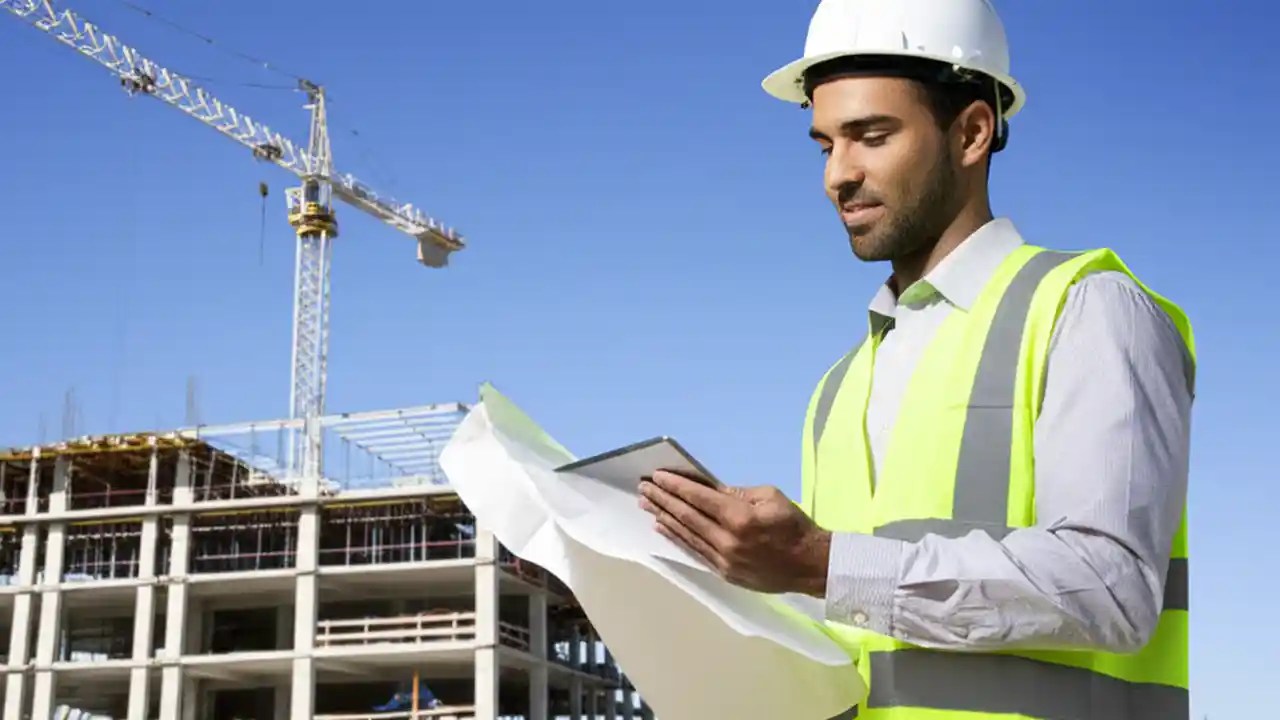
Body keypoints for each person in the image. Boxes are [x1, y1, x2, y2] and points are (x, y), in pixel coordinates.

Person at [636, 0, 1195, 717]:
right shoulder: (837, 390)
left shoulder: (1085, 309)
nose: (837, 176)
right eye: (824, 144)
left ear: (971, 132)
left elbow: (1110, 587)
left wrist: (819, 561)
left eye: (871, 136)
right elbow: (848, 641)